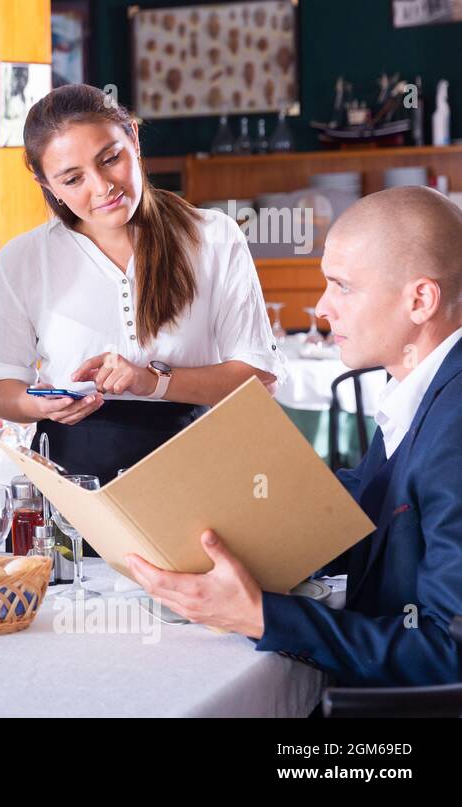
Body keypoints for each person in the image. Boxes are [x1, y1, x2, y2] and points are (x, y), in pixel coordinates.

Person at [127, 186, 462, 686]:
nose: (324, 308)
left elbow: (446, 653)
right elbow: (363, 511)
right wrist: (211, 525)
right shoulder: (420, 386)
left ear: (420, 300)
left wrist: (258, 616)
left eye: (342, 286)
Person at [0, 84, 286, 490]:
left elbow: (260, 379)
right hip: (71, 483)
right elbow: (2, 390)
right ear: (46, 184)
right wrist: (35, 405)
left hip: (199, 471)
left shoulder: (214, 236)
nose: (102, 187)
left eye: (110, 159)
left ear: (134, 138)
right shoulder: (22, 259)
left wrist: (152, 382)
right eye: (73, 179)